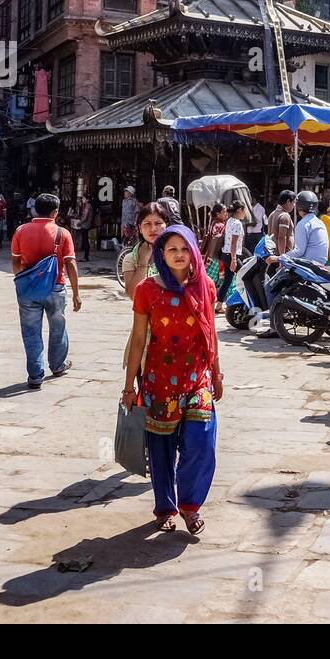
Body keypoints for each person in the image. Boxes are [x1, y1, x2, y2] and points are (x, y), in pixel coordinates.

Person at [122, 225, 223, 534]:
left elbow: (211, 333)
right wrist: (129, 386)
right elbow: (139, 338)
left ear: (193, 251)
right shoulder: (147, 290)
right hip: (158, 380)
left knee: (201, 442)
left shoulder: (205, 285)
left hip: (197, 378)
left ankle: (190, 506)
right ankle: (165, 507)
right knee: (162, 449)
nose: (179, 255)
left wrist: (216, 372)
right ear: (162, 255)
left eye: (184, 249)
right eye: (171, 250)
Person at [11, 193, 82, 389]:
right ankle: (57, 365)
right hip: (55, 287)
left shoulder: (21, 231)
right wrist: (76, 292)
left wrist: (23, 279)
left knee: (31, 331)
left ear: (35, 209)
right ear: (55, 212)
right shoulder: (62, 233)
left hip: (27, 291)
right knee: (58, 329)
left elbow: (16, 261)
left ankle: (35, 375)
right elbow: (71, 264)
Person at [122, 202, 171, 299]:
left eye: (158, 223)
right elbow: (133, 295)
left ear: (167, 225)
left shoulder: (176, 253)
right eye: (147, 224)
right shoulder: (131, 259)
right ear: (140, 228)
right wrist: (143, 261)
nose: (153, 229)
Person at [268, 190, 328, 265]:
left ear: (299, 206)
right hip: (321, 264)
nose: (294, 205)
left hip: (308, 264)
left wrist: (279, 258)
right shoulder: (320, 222)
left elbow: (299, 251)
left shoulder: (303, 224)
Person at [201, 203, 228, 314]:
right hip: (216, 258)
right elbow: (215, 239)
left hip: (211, 257)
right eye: (224, 211)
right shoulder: (220, 225)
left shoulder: (215, 223)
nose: (226, 214)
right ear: (218, 214)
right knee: (211, 281)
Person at [223, 200, 247, 291]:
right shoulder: (237, 223)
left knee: (227, 281)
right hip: (232, 255)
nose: (245, 213)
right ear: (240, 210)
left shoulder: (229, 221)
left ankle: (218, 303)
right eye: (244, 211)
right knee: (246, 277)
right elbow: (234, 243)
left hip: (226, 254)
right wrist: (234, 260)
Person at [267, 190, 296, 256]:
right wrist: (282, 257)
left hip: (272, 253)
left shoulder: (273, 213)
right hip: (281, 255)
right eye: (293, 202)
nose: (294, 205)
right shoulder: (284, 216)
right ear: (288, 201)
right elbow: (281, 237)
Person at [70, 193, 95, 262]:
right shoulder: (86, 206)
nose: (82, 200)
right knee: (85, 239)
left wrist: (79, 223)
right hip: (86, 224)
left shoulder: (87, 206)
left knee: (85, 240)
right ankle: (85, 256)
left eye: (83, 198)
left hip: (85, 225)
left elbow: (85, 217)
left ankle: (86, 256)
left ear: (87, 200)